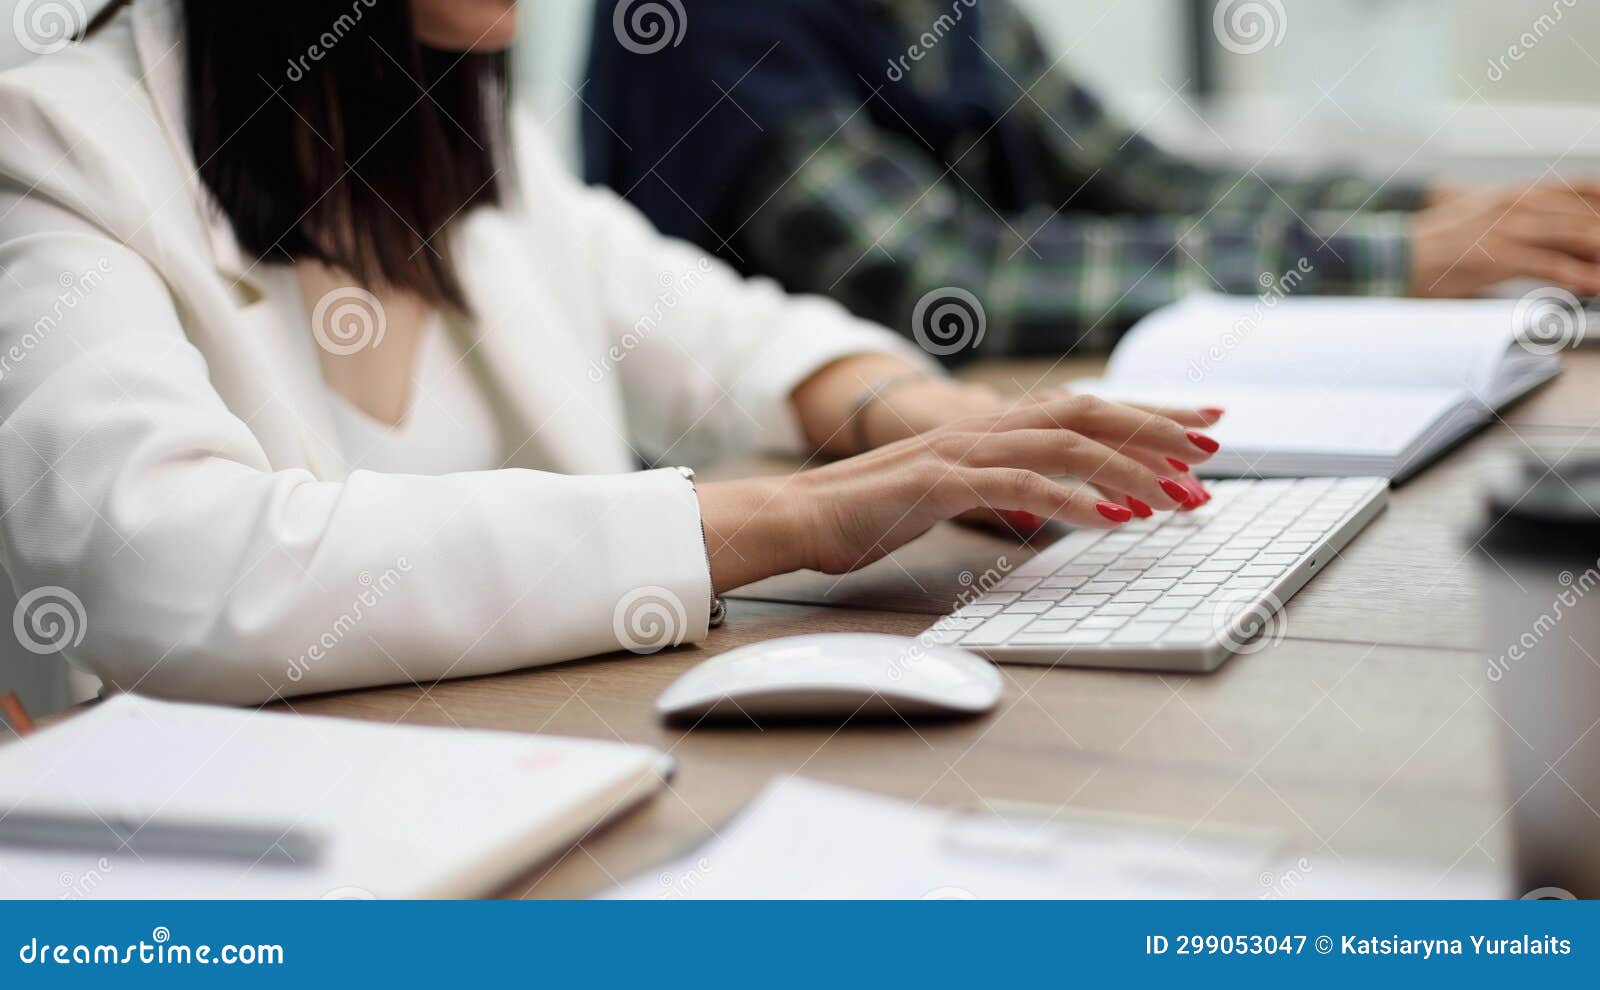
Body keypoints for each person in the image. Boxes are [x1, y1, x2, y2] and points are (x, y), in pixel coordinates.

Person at [0, 0, 1221, 713]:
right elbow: (164, 572)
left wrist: (922, 418)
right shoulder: (55, 146)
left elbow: (723, 333)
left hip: (552, 771)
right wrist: (787, 521)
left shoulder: (445, 122)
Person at [584, 0, 1600, 359]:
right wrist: (1385, 259)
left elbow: (1135, 174)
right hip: (783, 556)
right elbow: (948, 281)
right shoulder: (707, 27)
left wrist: (1439, 213)